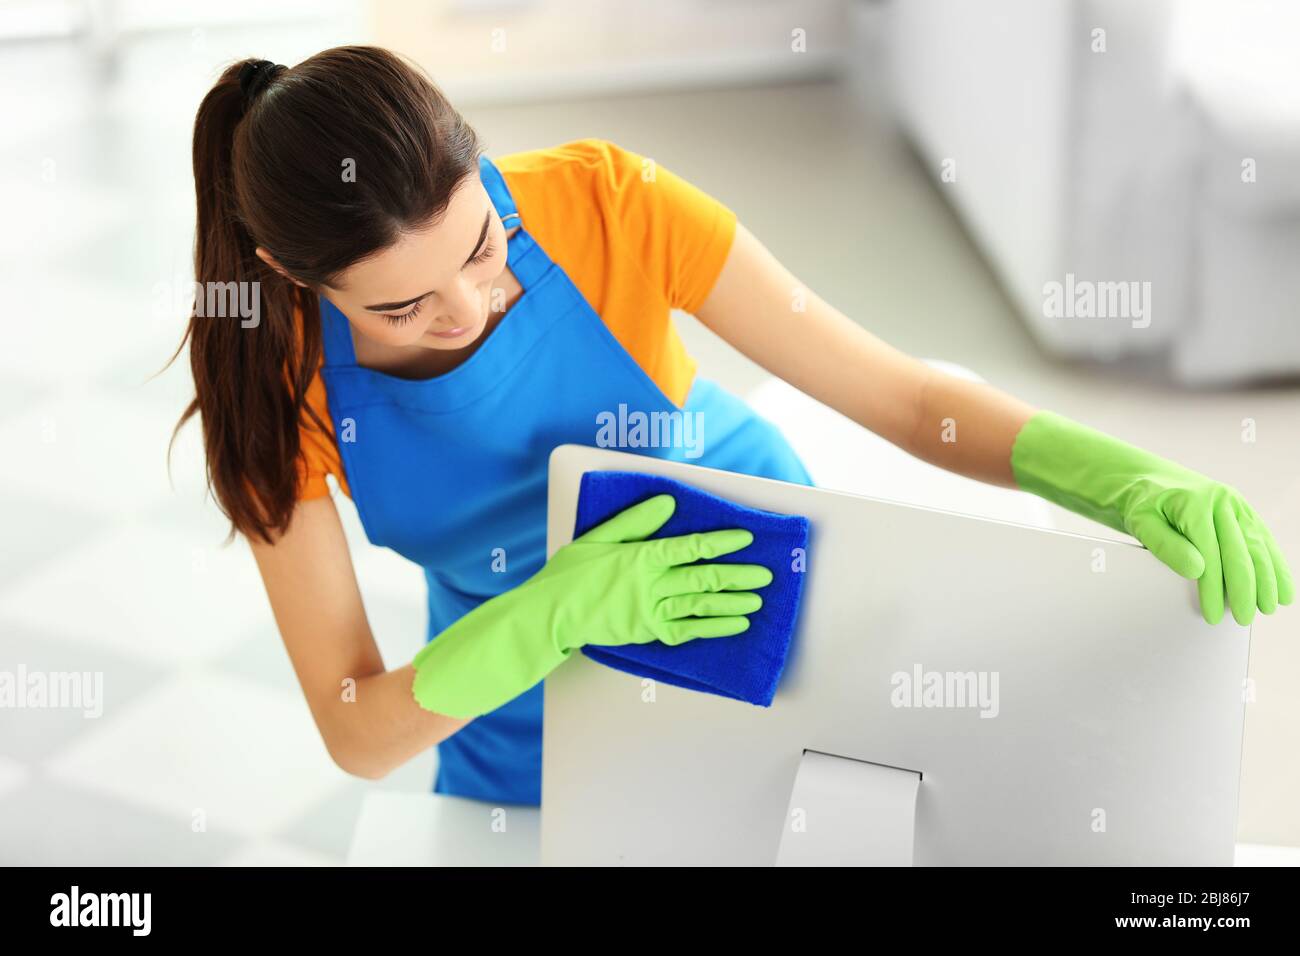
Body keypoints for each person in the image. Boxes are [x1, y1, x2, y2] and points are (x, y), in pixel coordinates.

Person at [174, 46, 1292, 806]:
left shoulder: (610, 206)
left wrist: (1120, 480)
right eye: (402, 305)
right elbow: (357, 726)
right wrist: (554, 612)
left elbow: (902, 398)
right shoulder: (272, 390)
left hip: (754, 573)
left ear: (478, 162)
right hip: (510, 697)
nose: (469, 307)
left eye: (480, 247)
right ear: (290, 273)